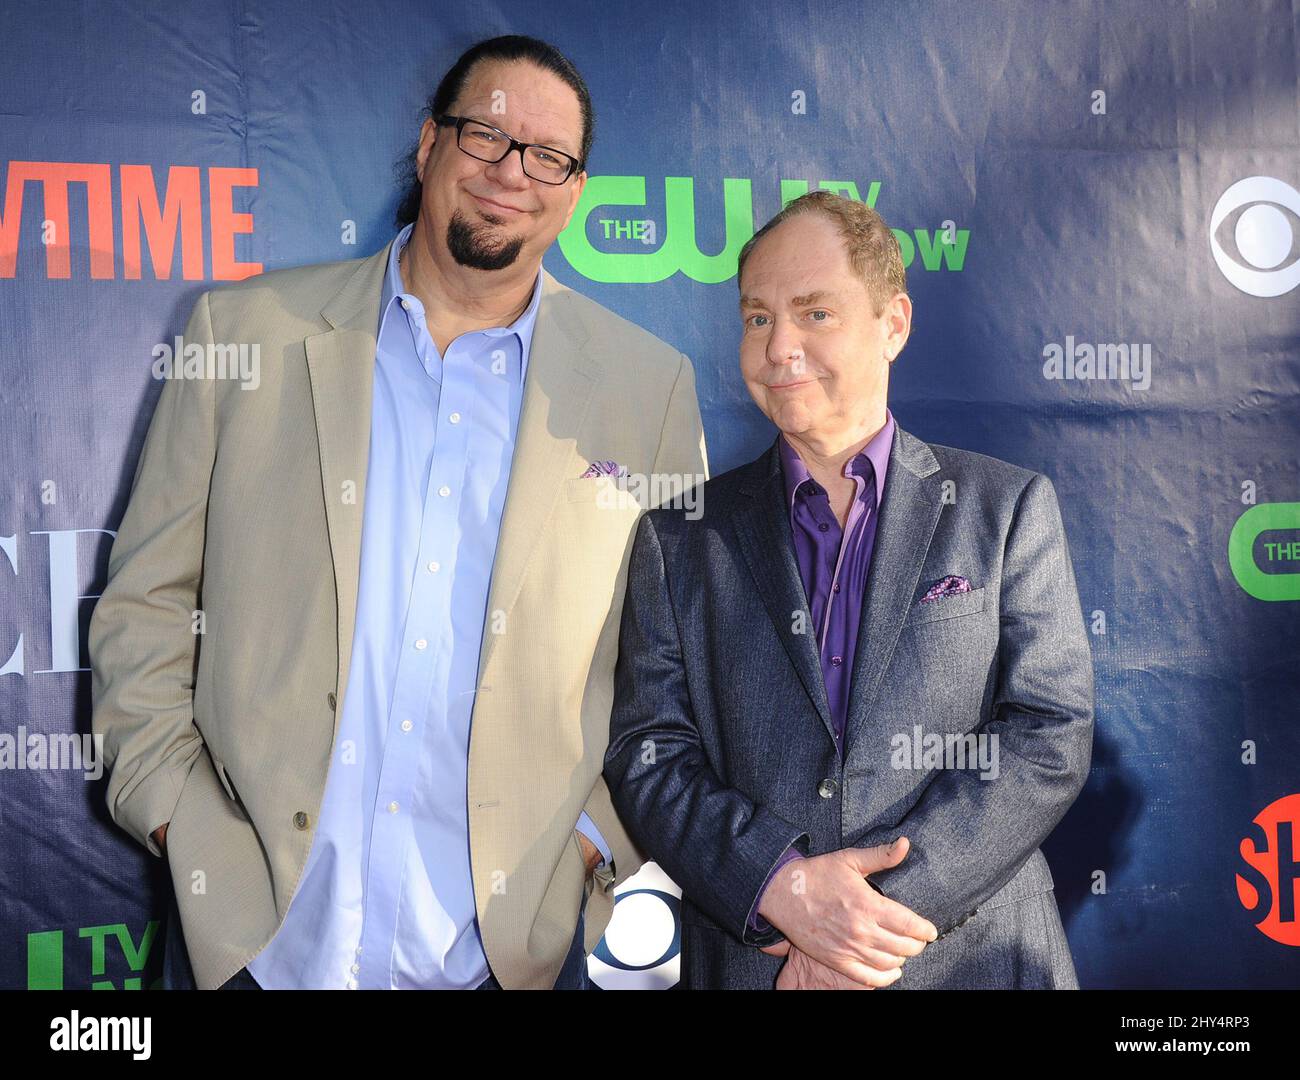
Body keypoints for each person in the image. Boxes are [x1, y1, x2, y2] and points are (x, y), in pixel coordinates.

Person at [90, 34, 706, 990]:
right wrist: (179, 815)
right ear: (428, 146)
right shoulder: (244, 335)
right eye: (486, 136)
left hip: (508, 956)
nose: (512, 173)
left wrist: (590, 841)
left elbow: (678, 674)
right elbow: (146, 607)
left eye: (549, 156)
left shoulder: (646, 389)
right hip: (255, 949)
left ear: (576, 191)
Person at [604, 190, 1093, 990]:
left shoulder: (1005, 509)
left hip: (971, 962)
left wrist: (858, 926)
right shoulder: (681, 536)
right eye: (757, 317)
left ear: (892, 324)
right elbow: (648, 752)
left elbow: (1050, 731)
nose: (779, 345)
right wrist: (781, 889)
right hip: (761, 964)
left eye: (815, 313)